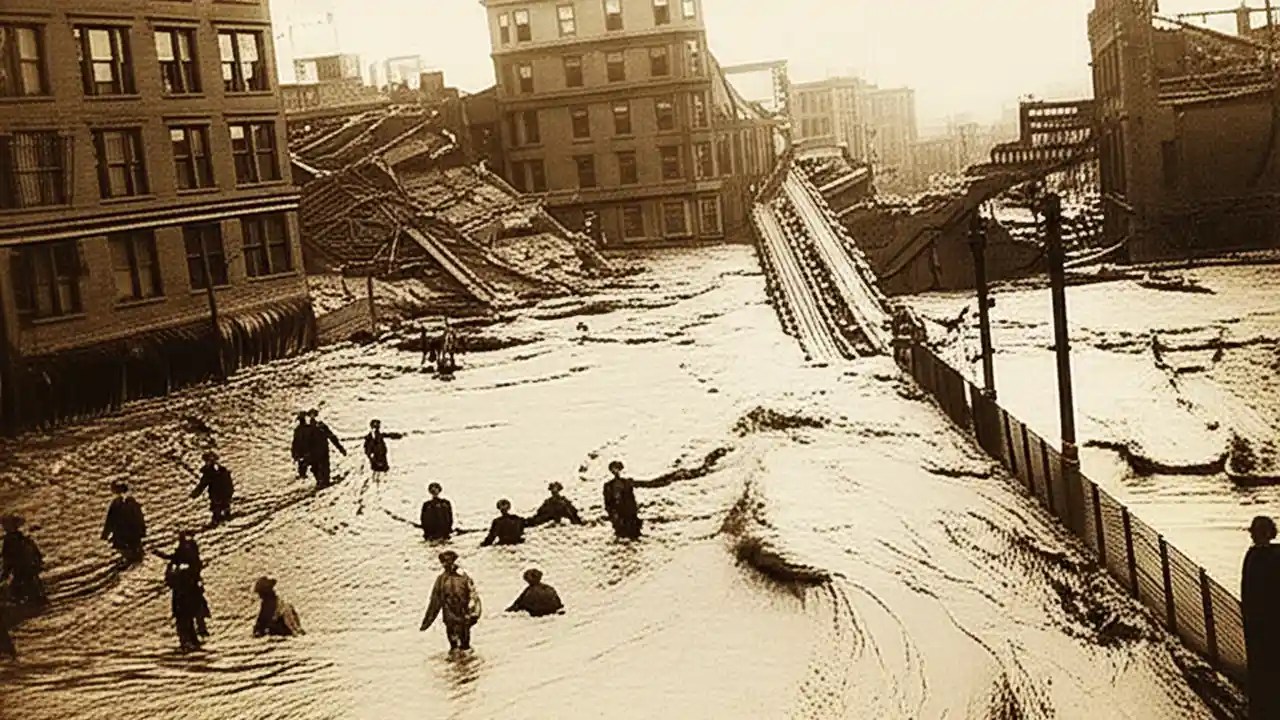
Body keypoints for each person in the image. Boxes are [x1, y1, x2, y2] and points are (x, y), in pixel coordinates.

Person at [1243, 515, 1280, 719]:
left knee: (1262, 672)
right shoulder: (1269, 557)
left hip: (1260, 625)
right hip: (1265, 625)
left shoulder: (1253, 558)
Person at [420, 551, 481, 652]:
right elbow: (435, 602)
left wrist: (475, 614)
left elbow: (474, 597)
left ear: (453, 561)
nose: (445, 564)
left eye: (447, 561)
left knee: (465, 645)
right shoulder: (441, 580)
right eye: (443, 562)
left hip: (464, 617)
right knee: (454, 646)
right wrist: (427, 622)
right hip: (450, 618)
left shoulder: (464, 578)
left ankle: (466, 659)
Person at [153, 531, 210, 637]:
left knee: (193, 610)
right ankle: (200, 629)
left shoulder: (188, 556)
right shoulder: (188, 555)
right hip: (190, 587)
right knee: (196, 609)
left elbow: (173, 561)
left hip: (188, 588)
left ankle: (198, 630)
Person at [0, 515, 46, 606]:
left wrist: (4, 575)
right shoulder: (24, 539)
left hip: (21, 573)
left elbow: (8, 561)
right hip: (30, 573)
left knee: (15, 595)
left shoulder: (9, 542)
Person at [101, 480, 146, 563]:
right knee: (130, 545)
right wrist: (142, 530)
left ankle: (132, 558)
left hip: (123, 533)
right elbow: (139, 517)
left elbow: (110, 520)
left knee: (123, 546)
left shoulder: (117, 504)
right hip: (130, 532)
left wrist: (105, 534)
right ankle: (134, 557)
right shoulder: (132, 502)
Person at [165, 558, 205, 651]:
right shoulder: (189, 581)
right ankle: (190, 641)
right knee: (187, 624)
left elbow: (169, 581)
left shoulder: (181, 583)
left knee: (185, 624)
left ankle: (188, 641)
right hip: (184, 607)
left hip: (183, 607)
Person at [190, 451, 234, 525]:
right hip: (223, 494)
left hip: (217, 494)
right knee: (224, 506)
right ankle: (225, 518)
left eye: (207, 461)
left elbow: (202, 484)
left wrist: (195, 493)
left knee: (217, 509)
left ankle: (218, 521)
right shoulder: (222, 470)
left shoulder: (210, 472)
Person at [307, 409, 347, 488]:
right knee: (316, 467)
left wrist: (340, 448)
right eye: (311, 415)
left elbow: (332, 437)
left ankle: (324, 481)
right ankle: (321, 481)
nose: (312, 417)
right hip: (315, 451)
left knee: (323, 466)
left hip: (322, 450)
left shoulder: (321, 426)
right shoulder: (308, 429)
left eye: (314, 415)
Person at [603, 461, 642, 540]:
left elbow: (631, 497)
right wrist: (612, 512)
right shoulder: (608, 485)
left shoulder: (626, 482)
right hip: (618, 511)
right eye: (614, 469)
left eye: (618, 469)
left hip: (628, 510)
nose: (616, 471)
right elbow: (608, 501)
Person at [291, 412, 313, 480]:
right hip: (306, 449)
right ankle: (303, 474)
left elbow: (295, 441)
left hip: (301, 449)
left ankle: (302, 474)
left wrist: (294, 452)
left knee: (302, 462)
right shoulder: (308, 428)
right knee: (304, 461)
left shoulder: (297, 429)